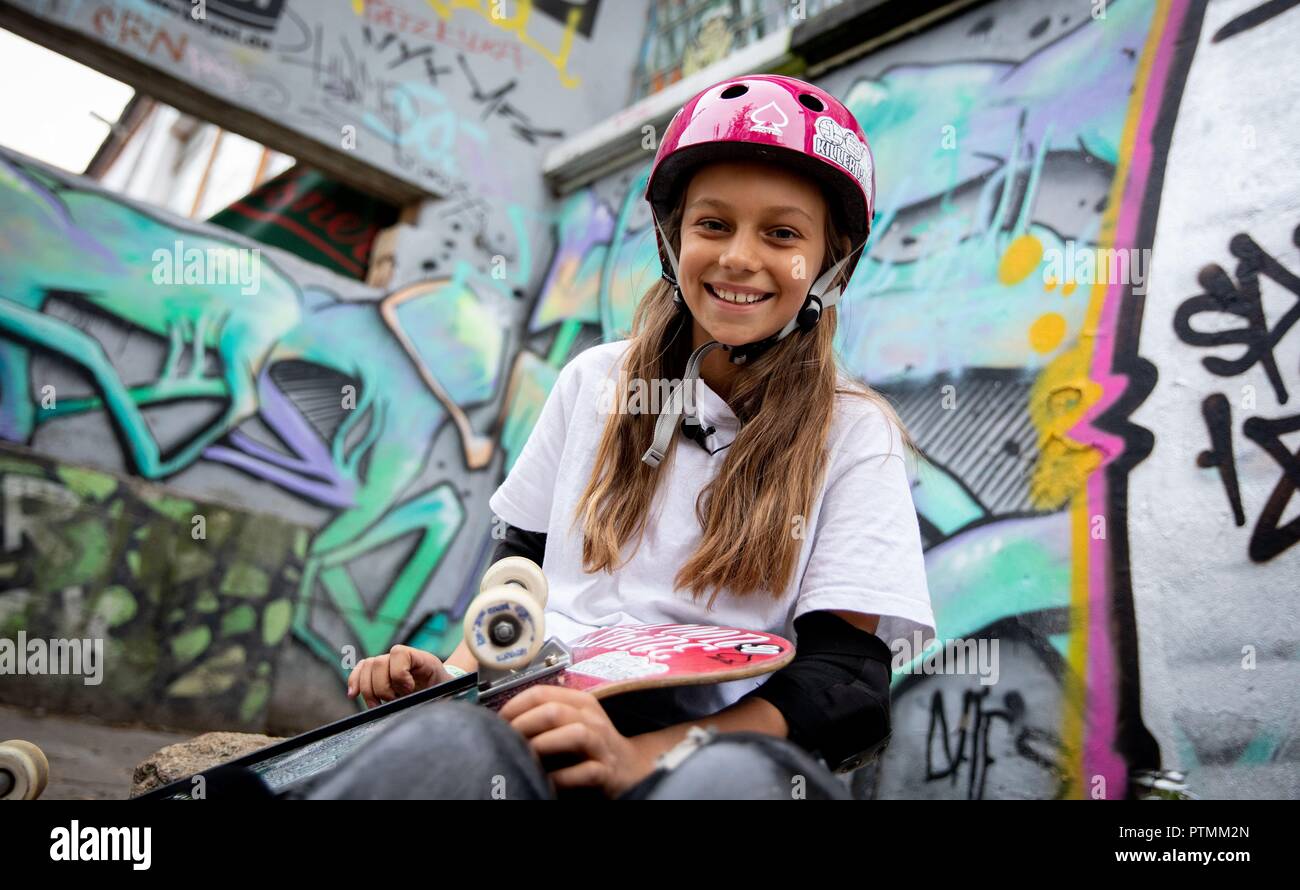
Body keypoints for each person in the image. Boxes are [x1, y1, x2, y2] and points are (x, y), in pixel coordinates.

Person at [329, 74, 935, 800]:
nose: (740, 257)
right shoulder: (594, 382)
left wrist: (637, 759)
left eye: (781, 234)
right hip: (533, 727)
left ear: (831, 265)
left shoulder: (853, 431)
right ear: (671, 237)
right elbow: (515, 583)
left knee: (727, 784)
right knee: (447, 745)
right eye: (713, 224)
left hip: (702, 759)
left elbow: (841, 683)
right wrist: (451, 678)